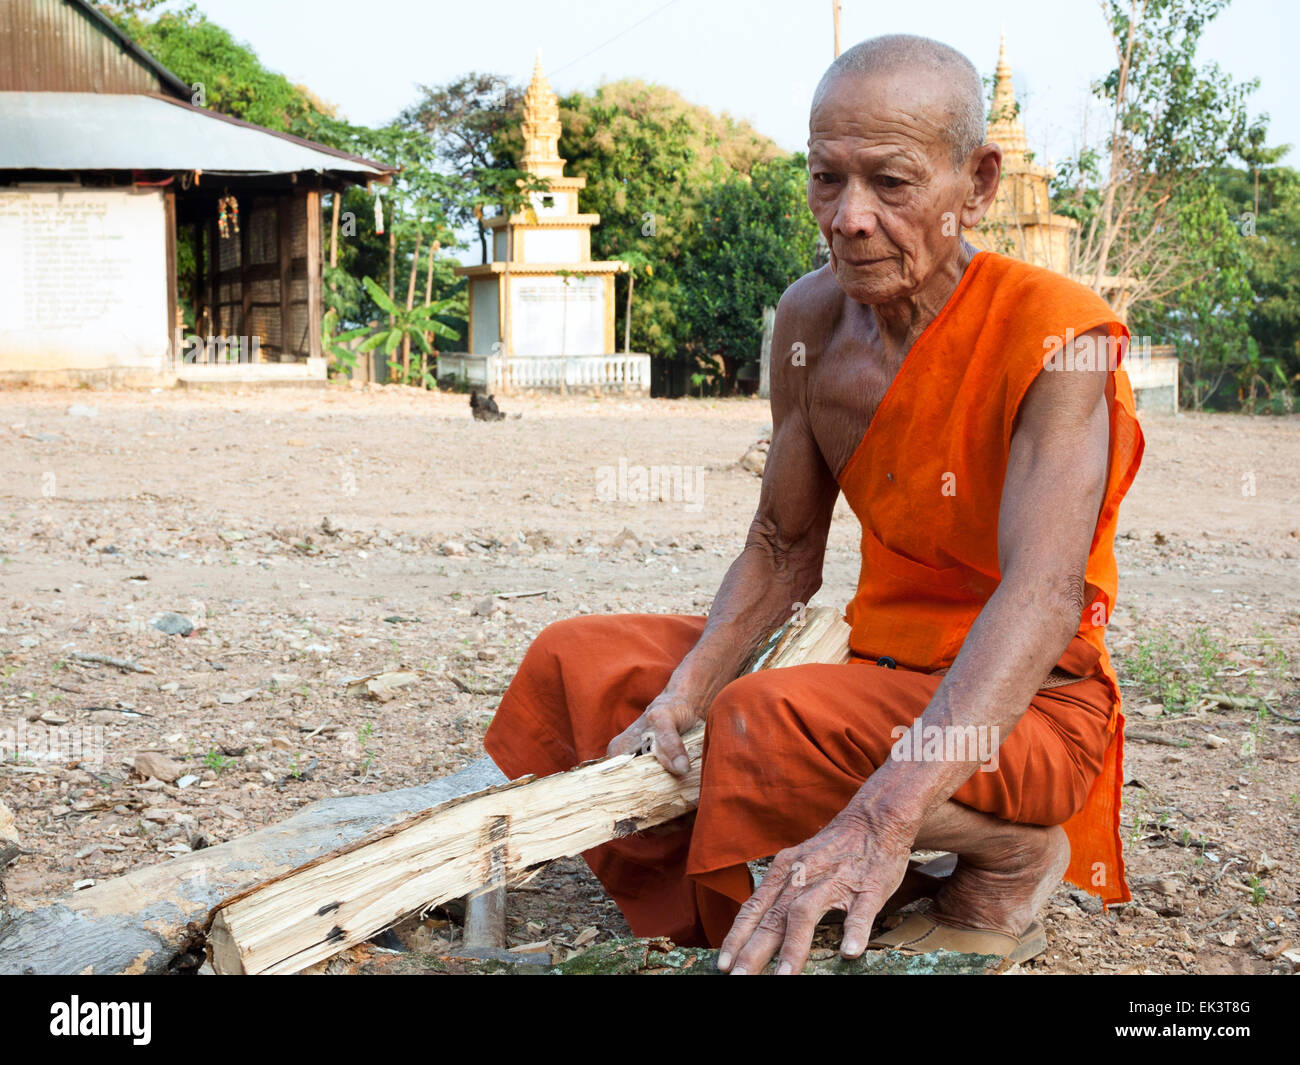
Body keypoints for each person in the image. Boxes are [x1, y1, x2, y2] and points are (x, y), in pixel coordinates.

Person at [484, 33, 1145, 975]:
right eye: (827, 179)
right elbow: (782, 546)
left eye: (892, 182)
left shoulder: (1059, 337)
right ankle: (791, 844)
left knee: (760, 719)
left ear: (982, 182)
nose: (851, 218)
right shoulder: (809, 320)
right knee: (582, 667)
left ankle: (1010, 850)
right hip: (867, 670)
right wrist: (682, 696)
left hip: (1028, 706)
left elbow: (1040, 597)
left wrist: (888, 810)